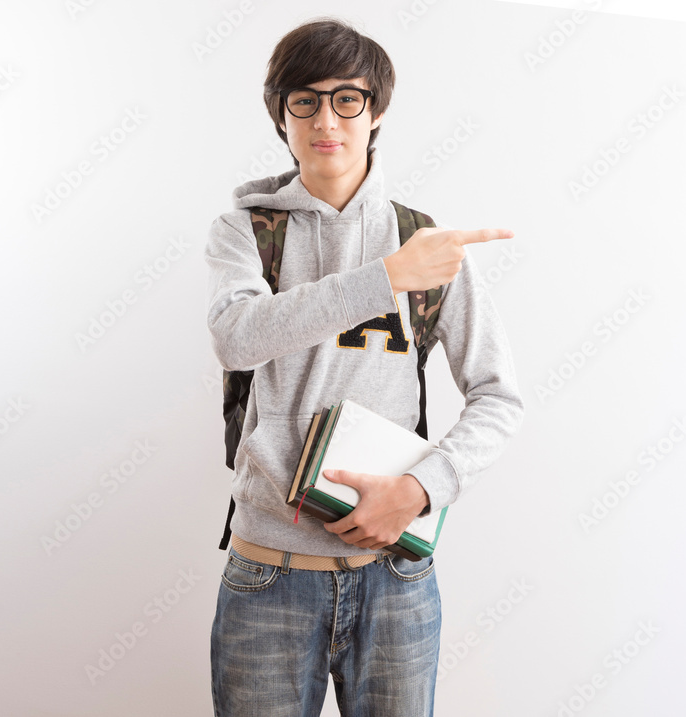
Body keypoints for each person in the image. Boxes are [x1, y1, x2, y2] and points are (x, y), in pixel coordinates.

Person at [204, 16, 524, 717]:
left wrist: (420, 489)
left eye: (348, 98)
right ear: (280, 113)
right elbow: (237, 337)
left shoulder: (424, 243)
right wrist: (386, 279)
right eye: (305, 99)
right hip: (267, 577)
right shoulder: (247, 231)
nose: (327, 118)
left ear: (374, 111)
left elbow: (500, 397)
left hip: (395, 579)